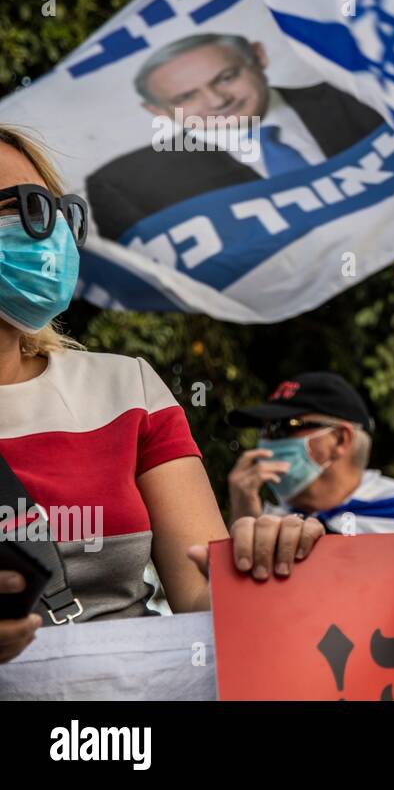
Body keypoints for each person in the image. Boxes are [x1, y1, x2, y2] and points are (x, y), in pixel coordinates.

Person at [0, 125, 326, 666]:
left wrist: (268, 563)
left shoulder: (126, 390)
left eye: (61, 214)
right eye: (27, 208)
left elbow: (200, 596)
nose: (49, 235)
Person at [85, 33, 386, 239]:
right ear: (157, 111)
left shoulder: (362, 97)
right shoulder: (128, 186)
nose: (217, 101)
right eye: (187, 97)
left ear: (259, 56)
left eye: (226, 78)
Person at [226, 372, 394, 534]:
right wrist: (244, 526)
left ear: (340, 439)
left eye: (284, 426)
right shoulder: (270, 520)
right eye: (264, 429)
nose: (267, 441)